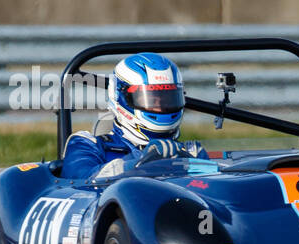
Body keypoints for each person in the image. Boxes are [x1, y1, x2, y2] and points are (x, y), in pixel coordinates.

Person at [62, 52, 207, 180]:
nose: (160, 106)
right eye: (151, 100)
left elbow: (212, 187)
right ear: (119, 97)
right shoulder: (87, 144)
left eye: (168, 99)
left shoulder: (191, 152)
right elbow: (80, 180)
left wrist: (185, 162)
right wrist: (143, 161)